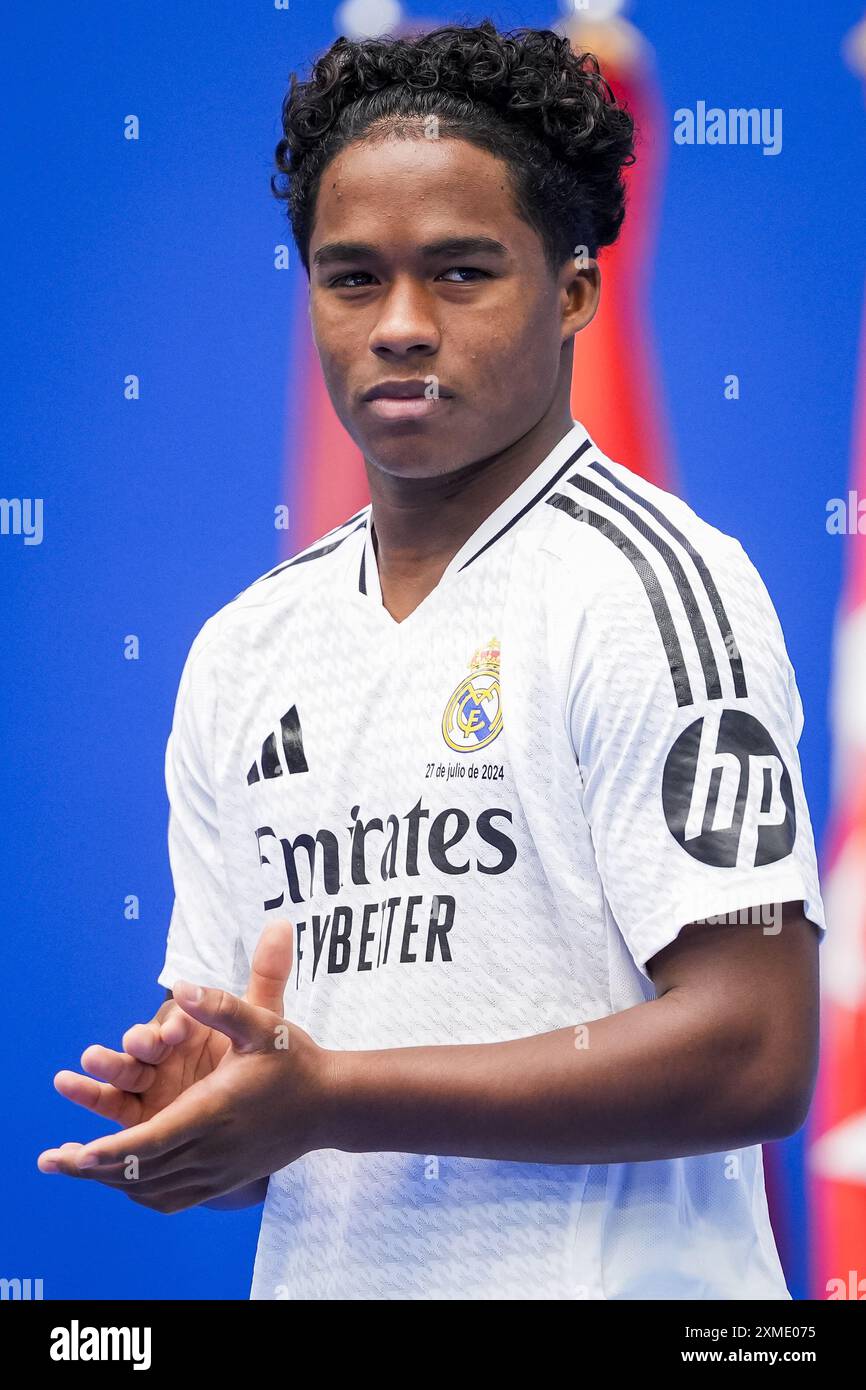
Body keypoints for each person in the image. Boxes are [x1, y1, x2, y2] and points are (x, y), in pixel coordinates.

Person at [39, 20, 826, 1300]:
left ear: (573, 290)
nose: (399, 326)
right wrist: (209, 1117)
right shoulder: (244, 650)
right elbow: (269, 1117)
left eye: (460, 273)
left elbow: (752, 1049)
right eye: (351, 279)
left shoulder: (652, 587)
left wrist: (332, 1097)